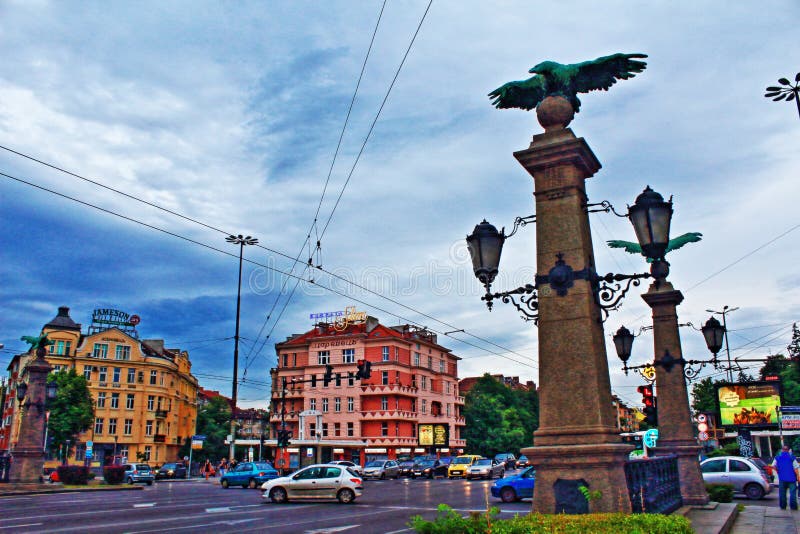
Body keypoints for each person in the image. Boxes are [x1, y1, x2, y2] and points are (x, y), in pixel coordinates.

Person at [771, 445, 800, 510]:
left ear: (782, 450)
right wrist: (798, 477)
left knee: (782, 494)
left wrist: (778, 470)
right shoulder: (792, 457)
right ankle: (793, 507)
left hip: (782, 479)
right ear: (789, 450)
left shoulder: (777, 457)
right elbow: (796, 468)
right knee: (792, 494)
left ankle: (783, 506)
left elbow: (773, 466)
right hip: (792, 479)